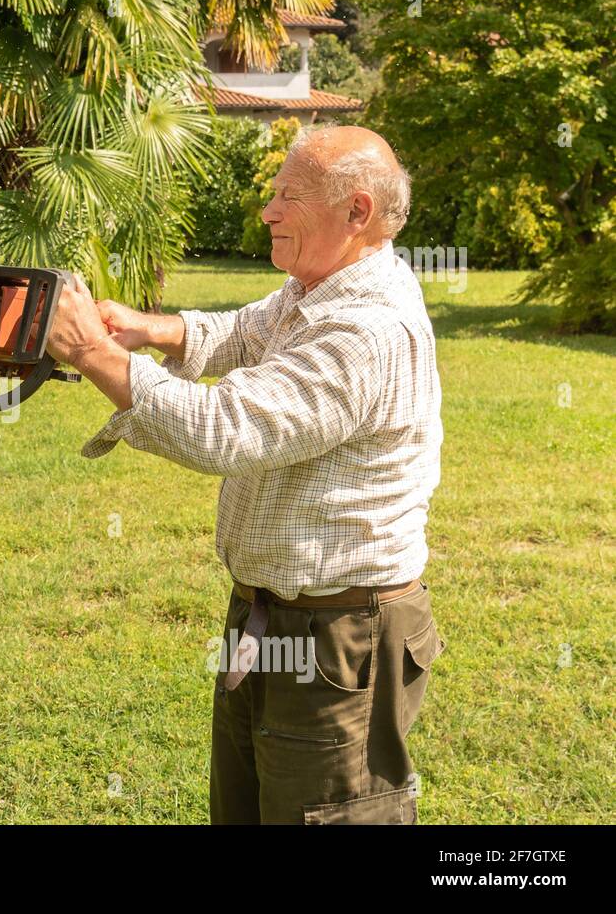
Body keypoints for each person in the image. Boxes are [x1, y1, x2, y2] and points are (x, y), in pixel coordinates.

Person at [44, 125, 446, 824]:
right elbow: (245, 332)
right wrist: (151, 329)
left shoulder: (368, 327)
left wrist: (90, 350)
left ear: (357, 211)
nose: (269, 210)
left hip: (339, 635)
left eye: (289, 195)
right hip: (274, 615)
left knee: (327, 815)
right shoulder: (317, 288)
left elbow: (226, 429)